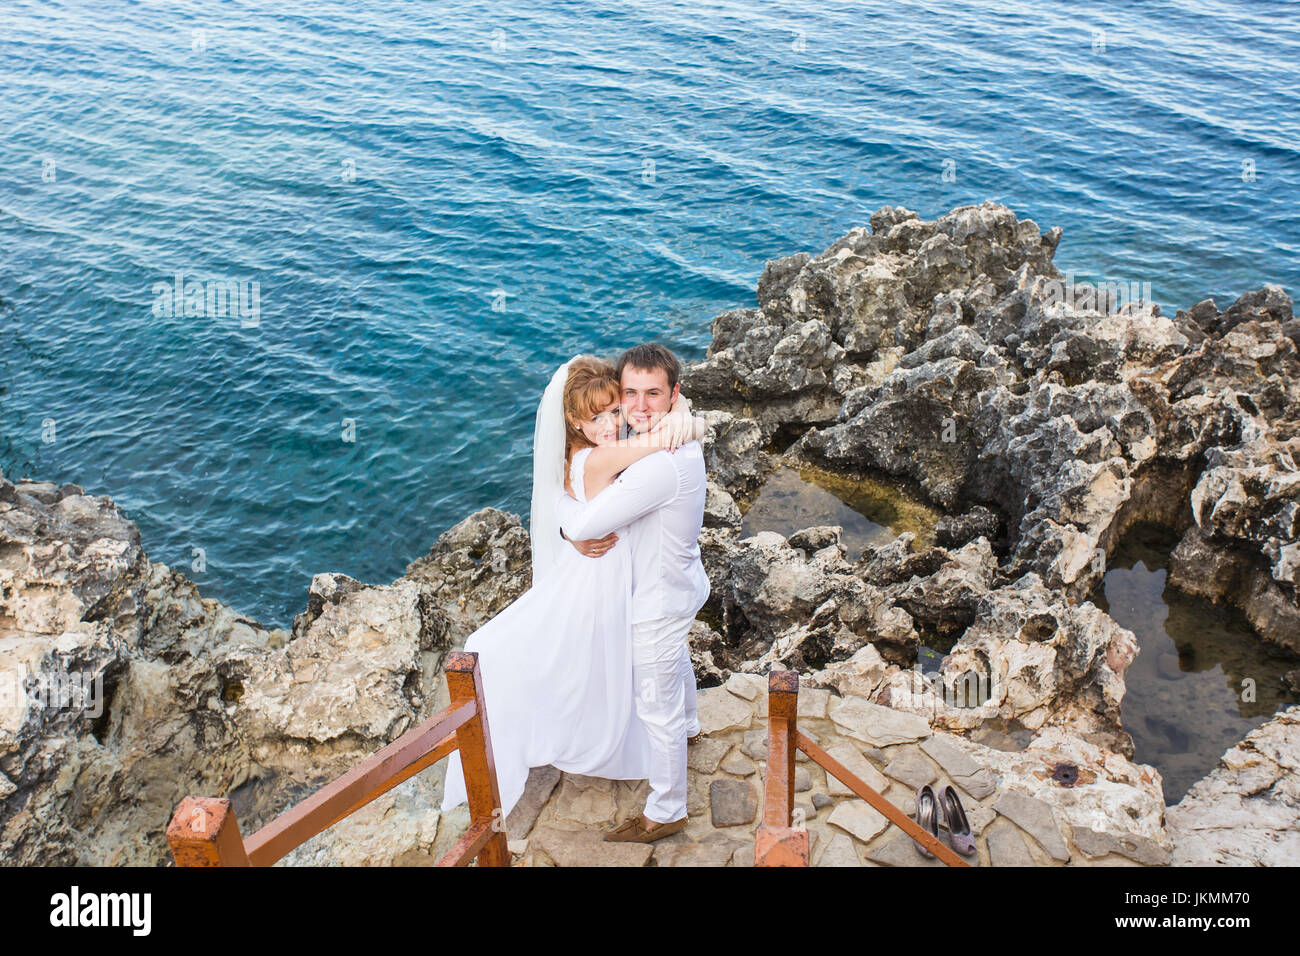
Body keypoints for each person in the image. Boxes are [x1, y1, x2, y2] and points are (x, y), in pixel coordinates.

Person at [439, 355, 709, 823]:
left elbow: (573, 501)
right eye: (608, 409)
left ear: (673, 394)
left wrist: (686, 420)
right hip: (610, 580)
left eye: (616, 409)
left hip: (634, 585)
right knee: (569, 663)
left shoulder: (591, 452)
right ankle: (660, 738)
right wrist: (686, 422)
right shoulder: (613, 453)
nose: (614, 420)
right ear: (574, 420)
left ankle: (672, 778)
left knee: (629, 671)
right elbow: (586, 513)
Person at [558, 344, 710, 844]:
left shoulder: (656, 467)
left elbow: (584, 523)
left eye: (653, 394)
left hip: (658, 600)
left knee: (655, 708)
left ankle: (666, 810)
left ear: (674, 395)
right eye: (631, 393)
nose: (640, 406)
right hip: (681, 581)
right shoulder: (674, 436)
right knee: (678, 667)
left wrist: (569, 532)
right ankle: (690, 727)